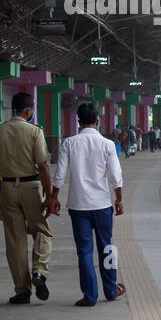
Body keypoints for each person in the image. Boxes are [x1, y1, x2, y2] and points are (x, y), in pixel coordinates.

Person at [48, 103, 126, 307]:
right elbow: (116, 176)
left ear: (78, 122)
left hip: (78, 207)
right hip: (102, 205)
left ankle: (89, 296)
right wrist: (119, 199)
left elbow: (59, 176)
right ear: (97, 121)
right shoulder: (108, 144)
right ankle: (110, 290)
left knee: (84, 251)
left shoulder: (69, 143)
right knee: (107, 247)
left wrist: (53, 198)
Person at [0, 92, 55, 304]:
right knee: (42, 230)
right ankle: (39, 272)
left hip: (7, 189)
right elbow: (43, 166)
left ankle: (22, 290)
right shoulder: (35, 132)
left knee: (15, 241)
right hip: (31, 187)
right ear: (28, 111)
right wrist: (50, 195)